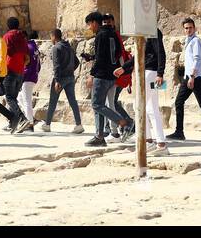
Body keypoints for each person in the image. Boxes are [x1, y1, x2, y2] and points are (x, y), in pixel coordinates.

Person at [83, 11, 135, 147]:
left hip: (102, 76)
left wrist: (92, 75)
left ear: (94, 22)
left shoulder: (100, 35)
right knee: (101, 105)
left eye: (89, 24)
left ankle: (123, 121)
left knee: (96, 104)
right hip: (112, 76)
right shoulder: (113, 33)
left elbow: (100, 59)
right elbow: (118, 53)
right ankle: (99, 136)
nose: (89, 28)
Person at [41, 28, 83, 133]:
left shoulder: (56, 48)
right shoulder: (69, 47)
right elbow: (77, 62)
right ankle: (79, 125)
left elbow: (56, 66)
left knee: (53, 101)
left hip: (60, 78)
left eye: (51, 37)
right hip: (70, 78)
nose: (51, 39)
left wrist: (57, 81)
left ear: (54, 36)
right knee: (73, 101)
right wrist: (70, 70)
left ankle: (47, 125)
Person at [0, 17, 31, 133]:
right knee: (14, 98)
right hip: (20, 71)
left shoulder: (7, 36)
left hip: (10, 69)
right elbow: (27, 57)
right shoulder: (22, 37)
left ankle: (22, 119)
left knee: (9, 98)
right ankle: (13, 123)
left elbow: (3, 54)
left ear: (8, 25)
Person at [143, 26, 169, 154]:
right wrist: (124, 68)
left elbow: (161, 52)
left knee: (143, 107)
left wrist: (160, 73)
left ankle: (152, 142)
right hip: (148, 73)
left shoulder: (152, 31)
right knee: (150, 107)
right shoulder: (144, 32)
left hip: (151, 74)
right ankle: (156, 142)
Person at [18, 30, 41, 132]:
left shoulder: (26, 48)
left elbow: (25, 63)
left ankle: (30, 124)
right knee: (19, 98)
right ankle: (31, 118)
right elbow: (38, 64)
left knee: (27, 101)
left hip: (27, 76)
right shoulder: (34, 47)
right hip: (33, 76)